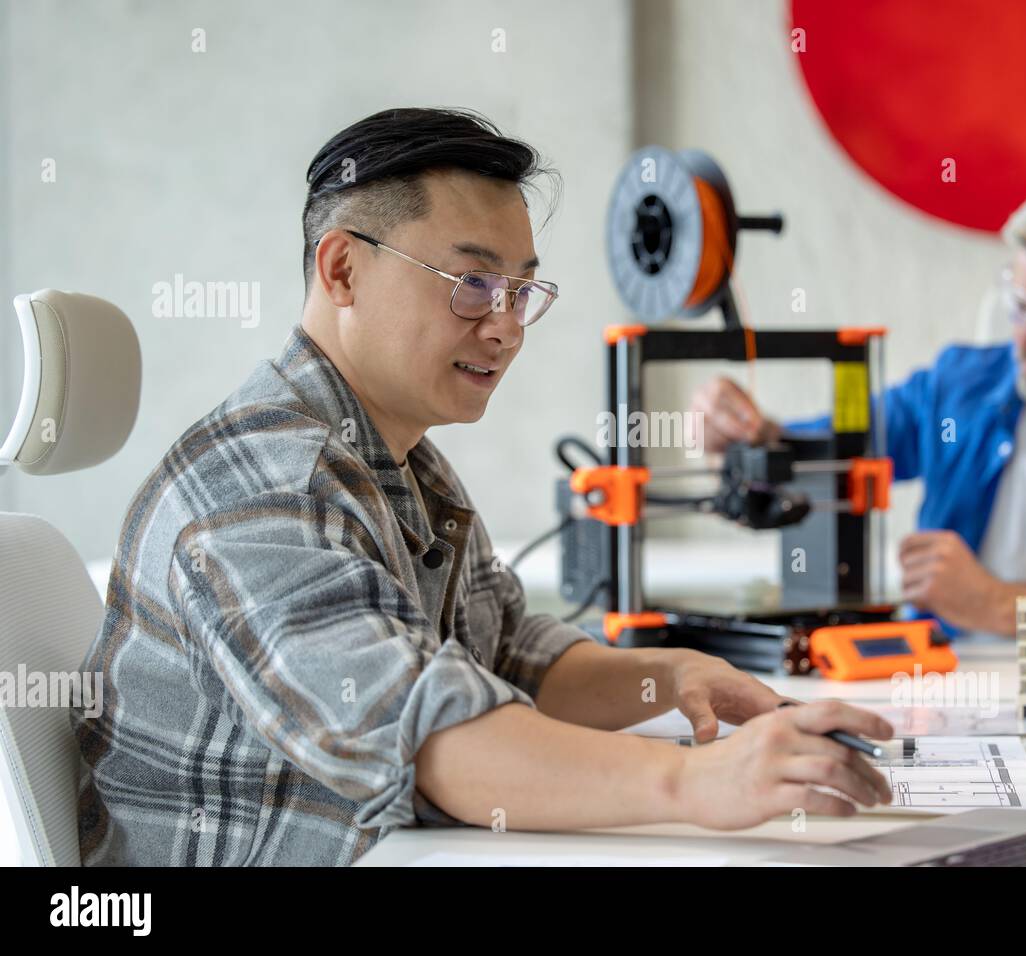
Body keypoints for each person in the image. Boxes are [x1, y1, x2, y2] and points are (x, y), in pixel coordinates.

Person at [73, 108, 893, 866]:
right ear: (344, 270)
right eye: (472, 283)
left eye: (521, 291)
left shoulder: (407, 463)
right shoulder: (258, 486)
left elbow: (507, 657)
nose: (504, 325)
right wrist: (699, 783)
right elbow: (431, 739)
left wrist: (673, 677)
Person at [692, 170, 1026, 637]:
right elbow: (810, 459)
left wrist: (1001, 605)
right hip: (932, 702)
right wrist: (741, 436)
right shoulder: (958, 387)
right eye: (1021, 306)